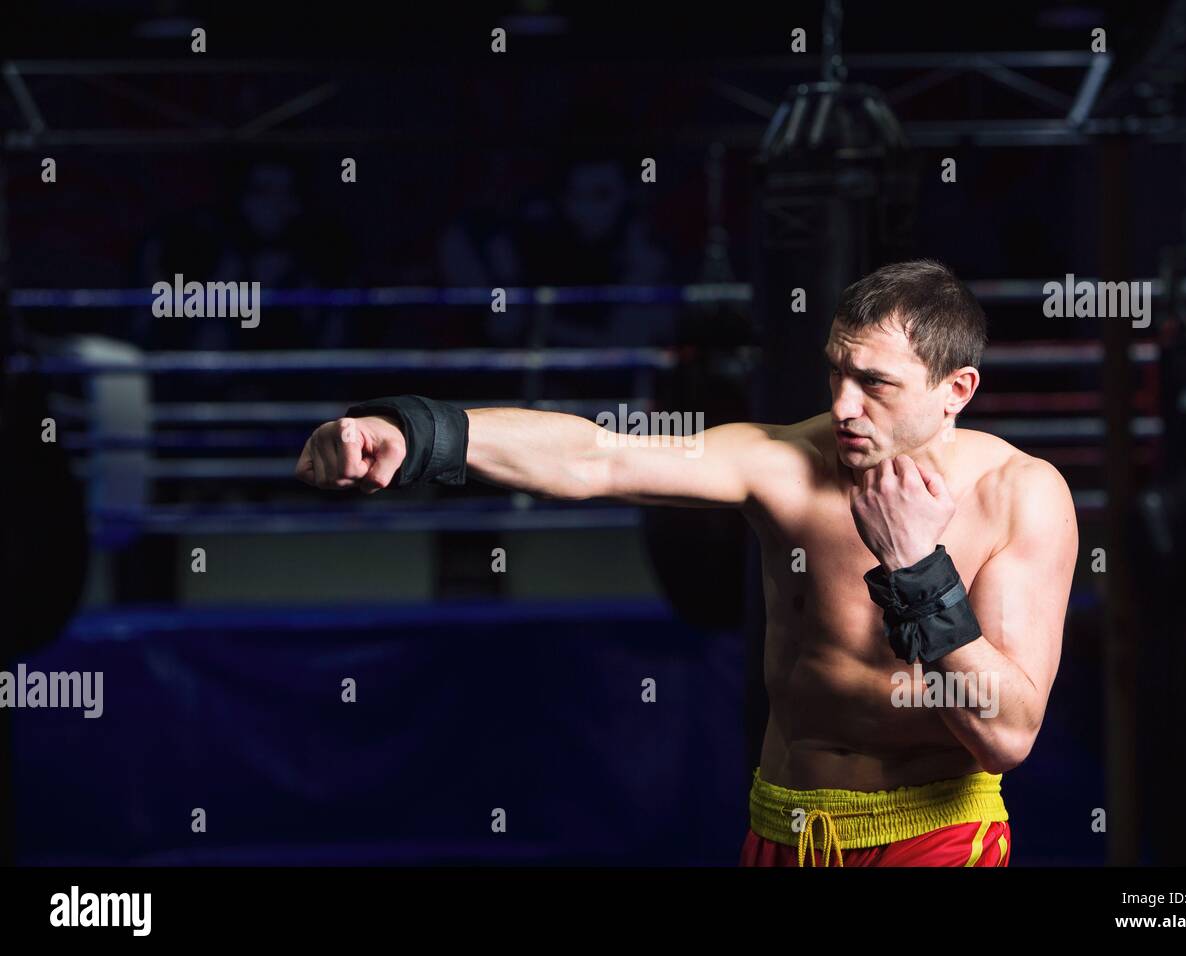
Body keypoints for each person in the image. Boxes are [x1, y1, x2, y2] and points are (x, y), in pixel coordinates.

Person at [295, 259, 1077, 866]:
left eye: (873, 383)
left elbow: (1004, 735)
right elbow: (597, 458)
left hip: (931, 839)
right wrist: (424, 436)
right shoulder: (787, 462)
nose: (842, 405)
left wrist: (915, 569)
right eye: (835, 372)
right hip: (782, 825)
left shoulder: (1020, 496)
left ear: (956, 390)